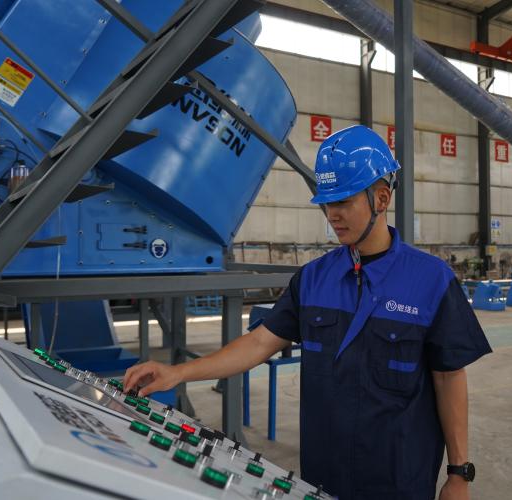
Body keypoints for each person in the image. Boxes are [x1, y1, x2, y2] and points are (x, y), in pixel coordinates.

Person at [123, 125, 492, 500]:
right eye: (328, 204)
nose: (333, 215)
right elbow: (259, 343)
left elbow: (448, 378)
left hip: (398, 480)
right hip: (322, 476)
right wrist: (178, 373)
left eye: (344, 201)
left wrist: (458, 473)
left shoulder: (431, 281)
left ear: (381, 198)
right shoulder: (314, 279)